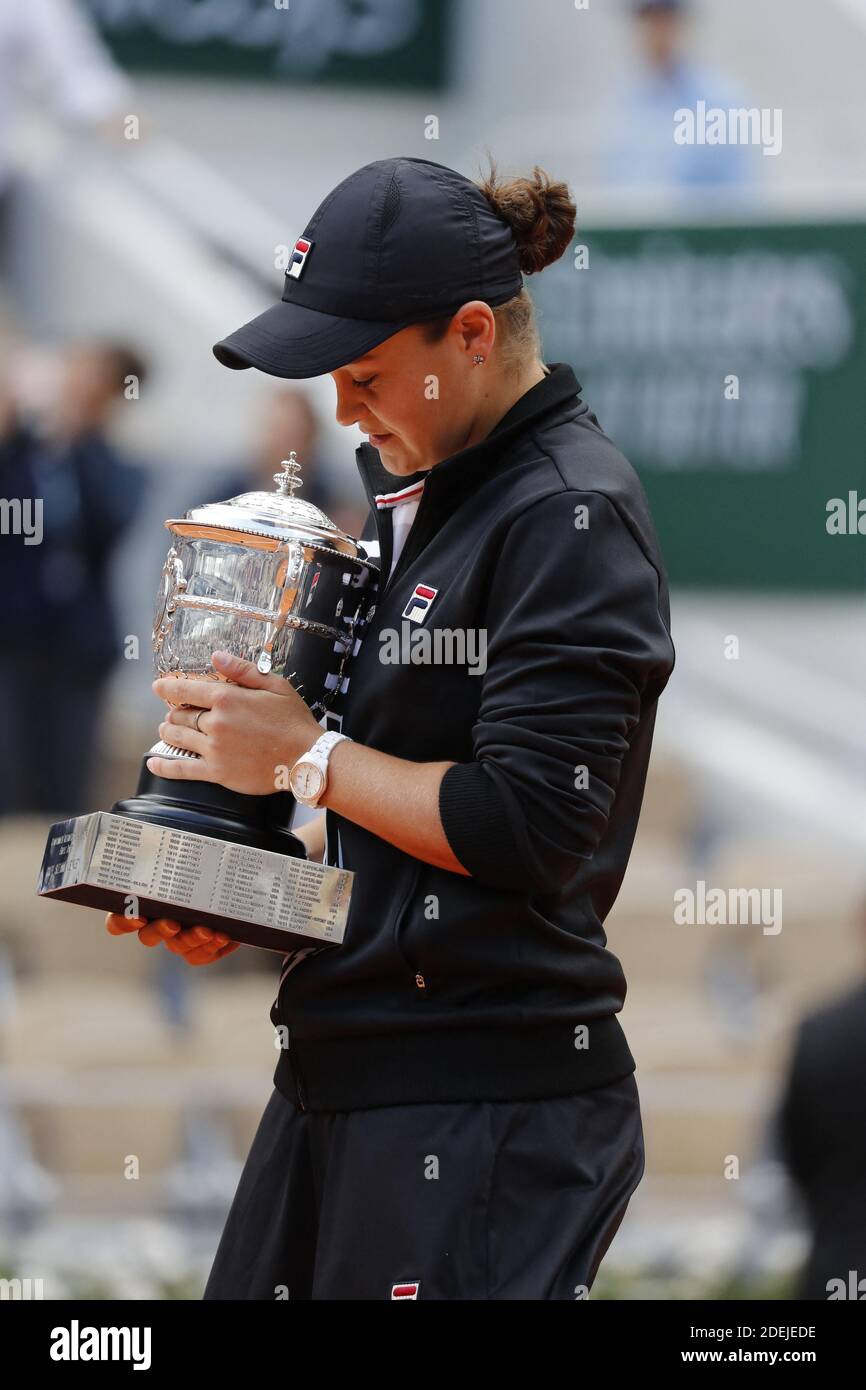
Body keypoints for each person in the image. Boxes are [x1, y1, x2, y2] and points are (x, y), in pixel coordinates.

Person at [105, 155, 675, 1300]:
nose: (340, 408)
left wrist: (305, 754)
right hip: (344, 1070)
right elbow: (390, 831)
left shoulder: (570, 507)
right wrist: (244, 894)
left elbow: (523, 826)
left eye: (364, 374)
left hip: (482, 1105)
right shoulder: (428, 489)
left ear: (472, 334)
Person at [0, 340, 148, 815]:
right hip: (13, 636)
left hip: (78, 646)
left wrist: (79, 440)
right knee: (11, 768)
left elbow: (109, 524)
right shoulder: (19, 451)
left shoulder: (115, 465)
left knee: (67, 775)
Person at [602, 0, 756, 193]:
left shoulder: (719, 103)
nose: (656, 33)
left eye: (665, 20)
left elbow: (743, 195)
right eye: (649, 21)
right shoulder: (627, 103)